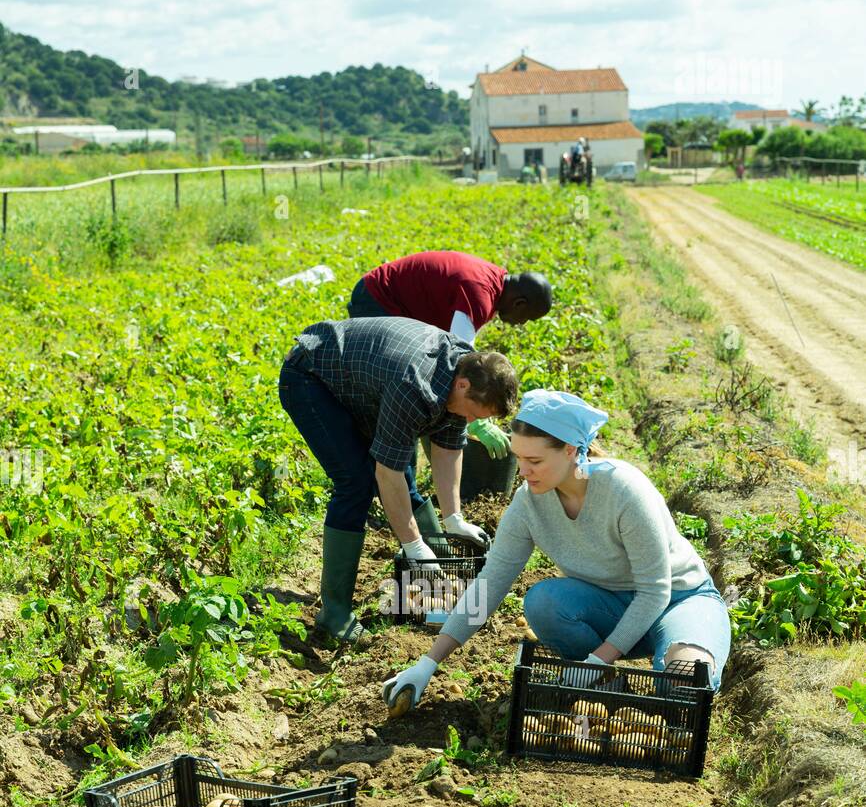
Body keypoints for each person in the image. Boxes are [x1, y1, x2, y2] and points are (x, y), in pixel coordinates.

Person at [382, 390, 731, 709]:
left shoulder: (624, 492)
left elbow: (655, 592)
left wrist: (595, 662)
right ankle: (604, 682)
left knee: (684, 681)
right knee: (544, 602)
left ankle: (613, 666)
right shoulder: (529, 503)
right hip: (608, 606)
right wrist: (429, 661)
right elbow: (490, 584)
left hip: (678, 600)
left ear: (569, 450)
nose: (523, 471)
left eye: (534, 461)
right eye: (519, 458)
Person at [279, 317, 518, 646]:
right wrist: (413, 546)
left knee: (403, 484)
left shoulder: (462, 373)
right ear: (463, 386)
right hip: (313, 378)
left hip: (365, 386)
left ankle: (440, 586)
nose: (474, 421)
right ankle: (334, 614)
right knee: (356, 483)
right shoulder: (415, 385)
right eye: (477, 413)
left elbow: (448, 451)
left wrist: (454, 518)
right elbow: (386, 473)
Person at [347, 250, 551, 474]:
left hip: (399, 305)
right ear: (519, 304)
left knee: (428, 390)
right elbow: (459, 363)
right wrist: (478, 420)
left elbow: (452, 355)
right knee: (399, 395)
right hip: (378, 299)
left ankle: (404, 476)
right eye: (527, 319)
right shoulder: (479, 295)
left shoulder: (494, 284)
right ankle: (396, 481)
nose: (521, 324)